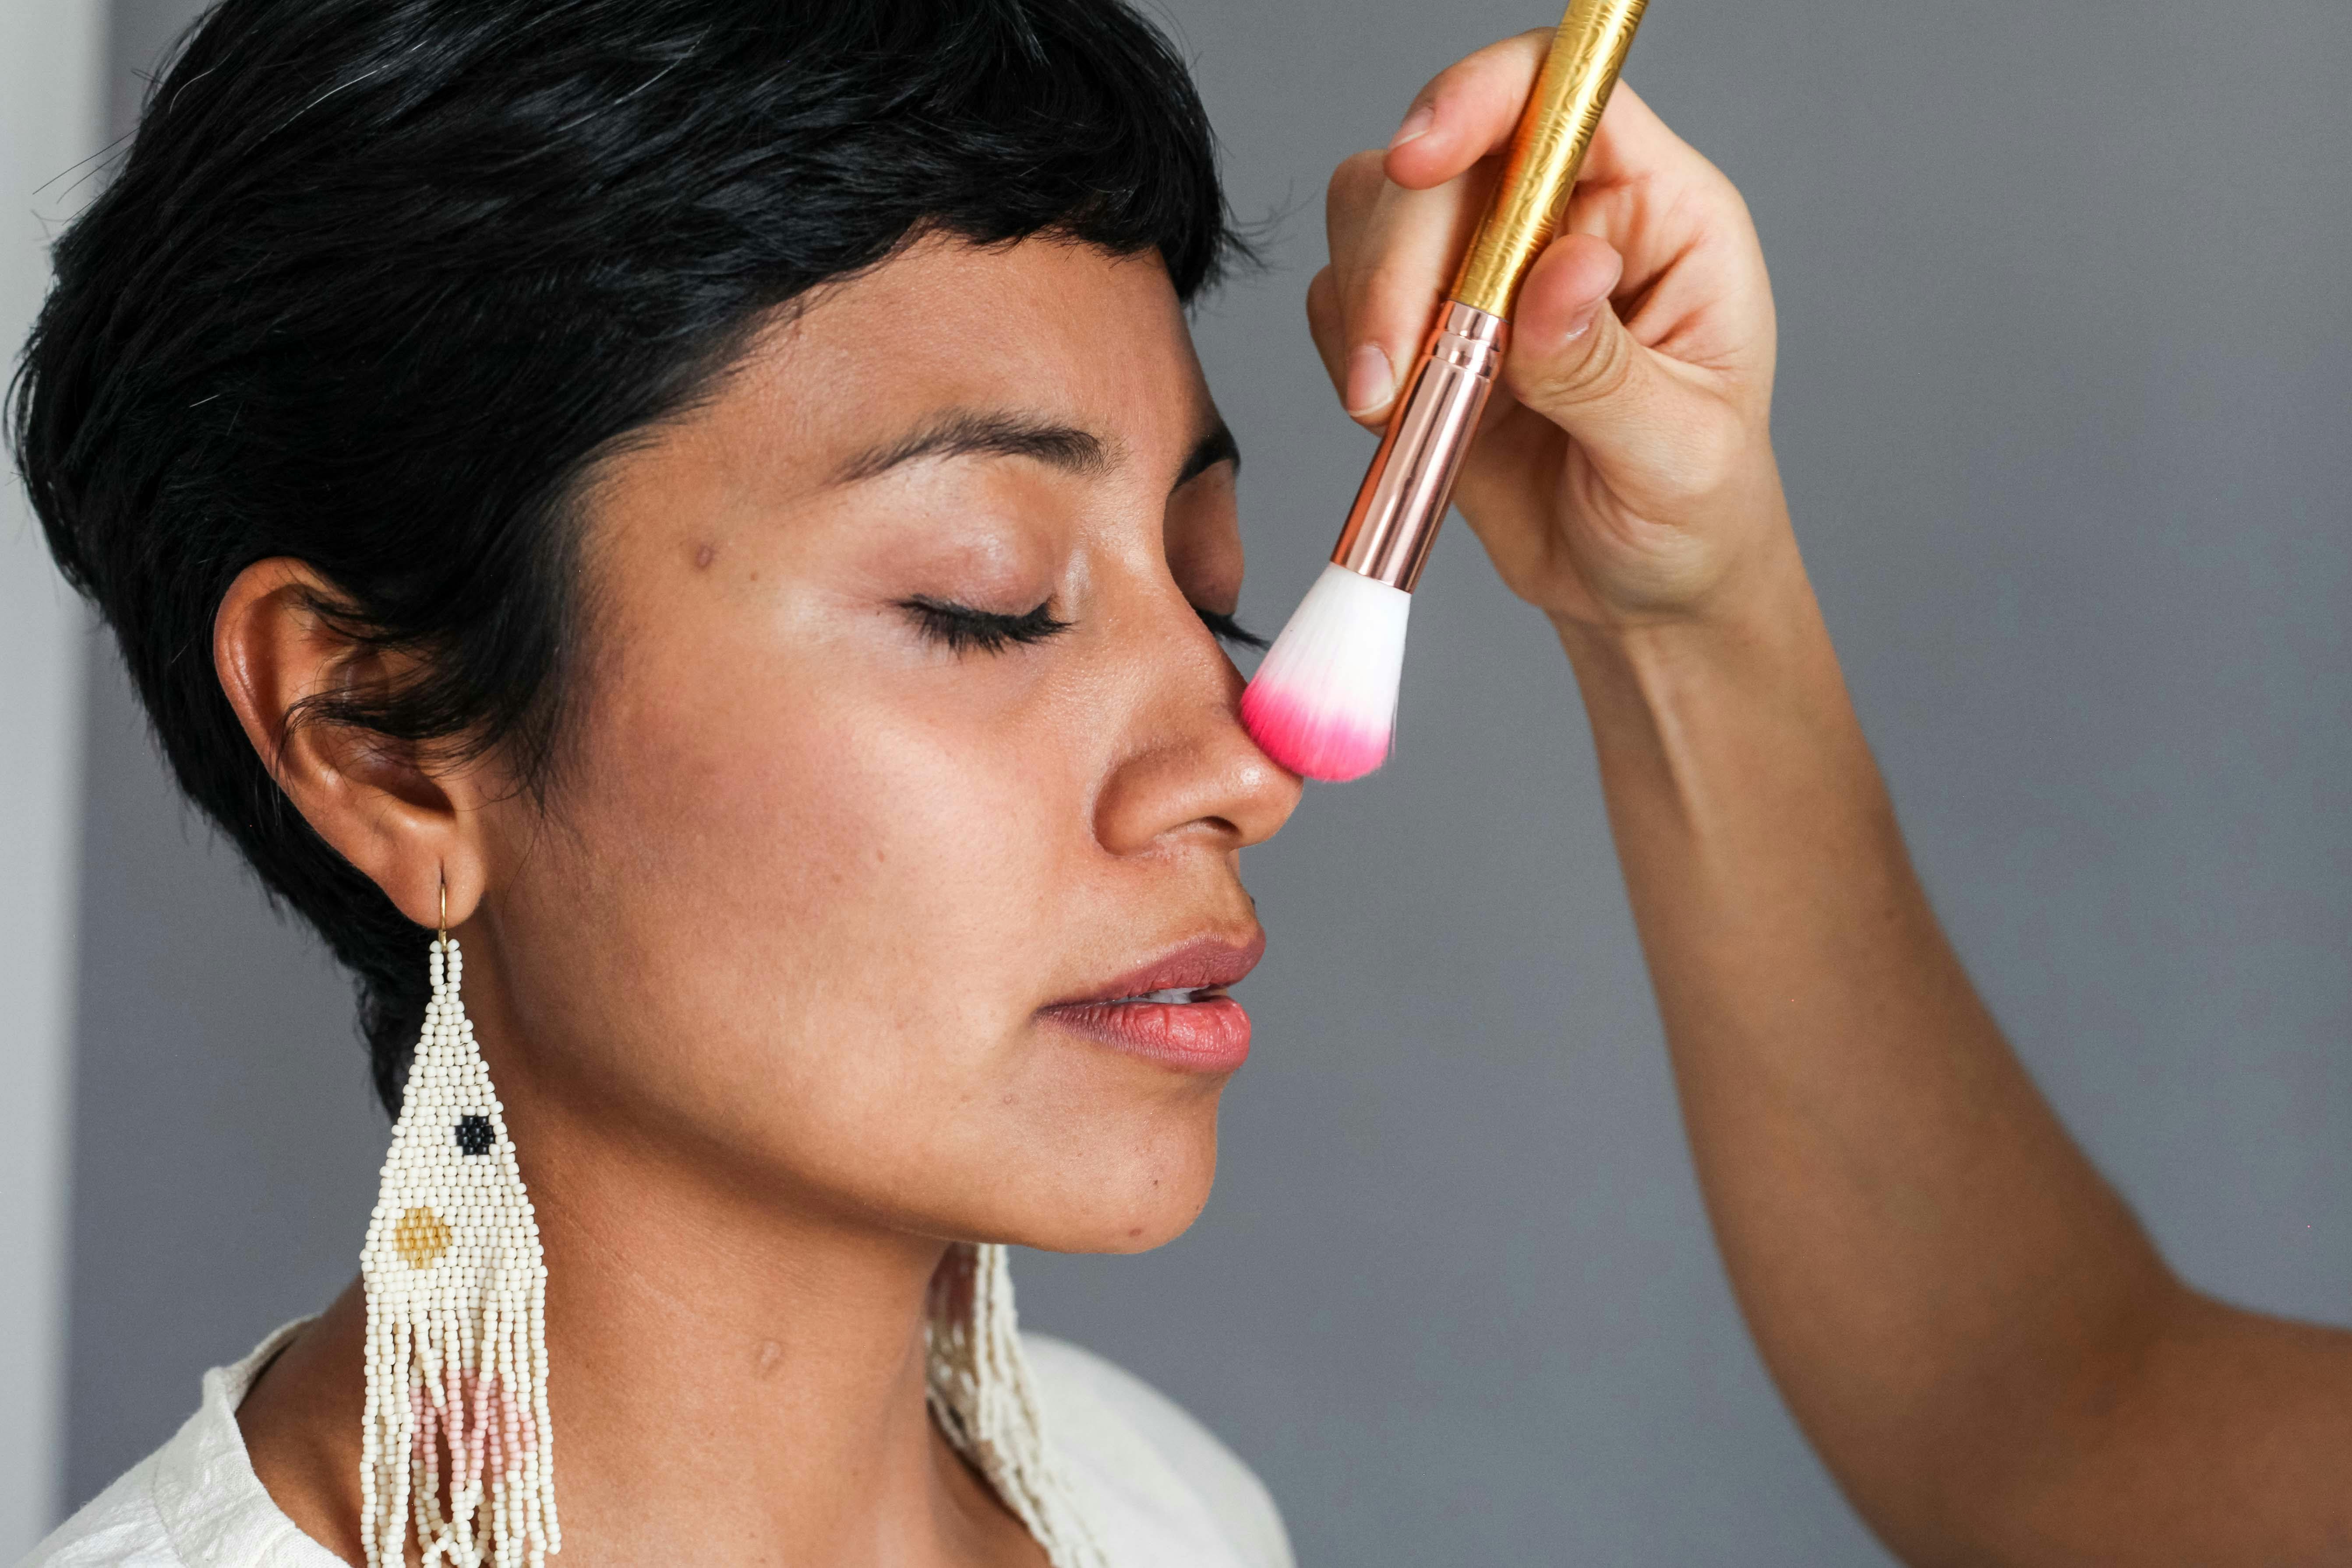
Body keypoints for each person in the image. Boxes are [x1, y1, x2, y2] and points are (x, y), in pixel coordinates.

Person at [14, 5, 2342, 1568]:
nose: (1248, 754)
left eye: (1212, 586)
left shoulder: (1163, 1511)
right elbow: (2050, 1409)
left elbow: (2068, 1425)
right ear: (372, 729)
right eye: (992, 599)